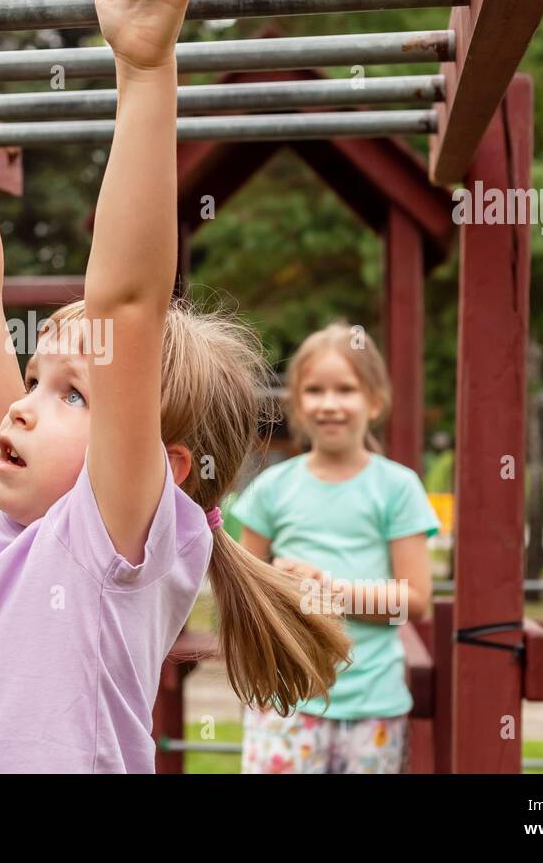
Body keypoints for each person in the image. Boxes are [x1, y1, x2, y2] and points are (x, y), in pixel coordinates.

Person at [0, 0, 351, 773]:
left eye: (75, 395)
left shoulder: (111, 536)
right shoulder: (22, 528)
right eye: (38, 380)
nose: (24, 405)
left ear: (164, 467)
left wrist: (146, 68)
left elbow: (128, 304)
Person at [232, 322, 438, 773]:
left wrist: (330, 593)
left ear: (375, 400)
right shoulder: (271, 490)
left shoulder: (398, 488)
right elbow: (242, 586)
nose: (329, 404)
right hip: (284, 698)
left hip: (372, 704)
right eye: (315, 391)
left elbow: (416, 602)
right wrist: (280, 585)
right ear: (297, 405)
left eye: (345, 389)